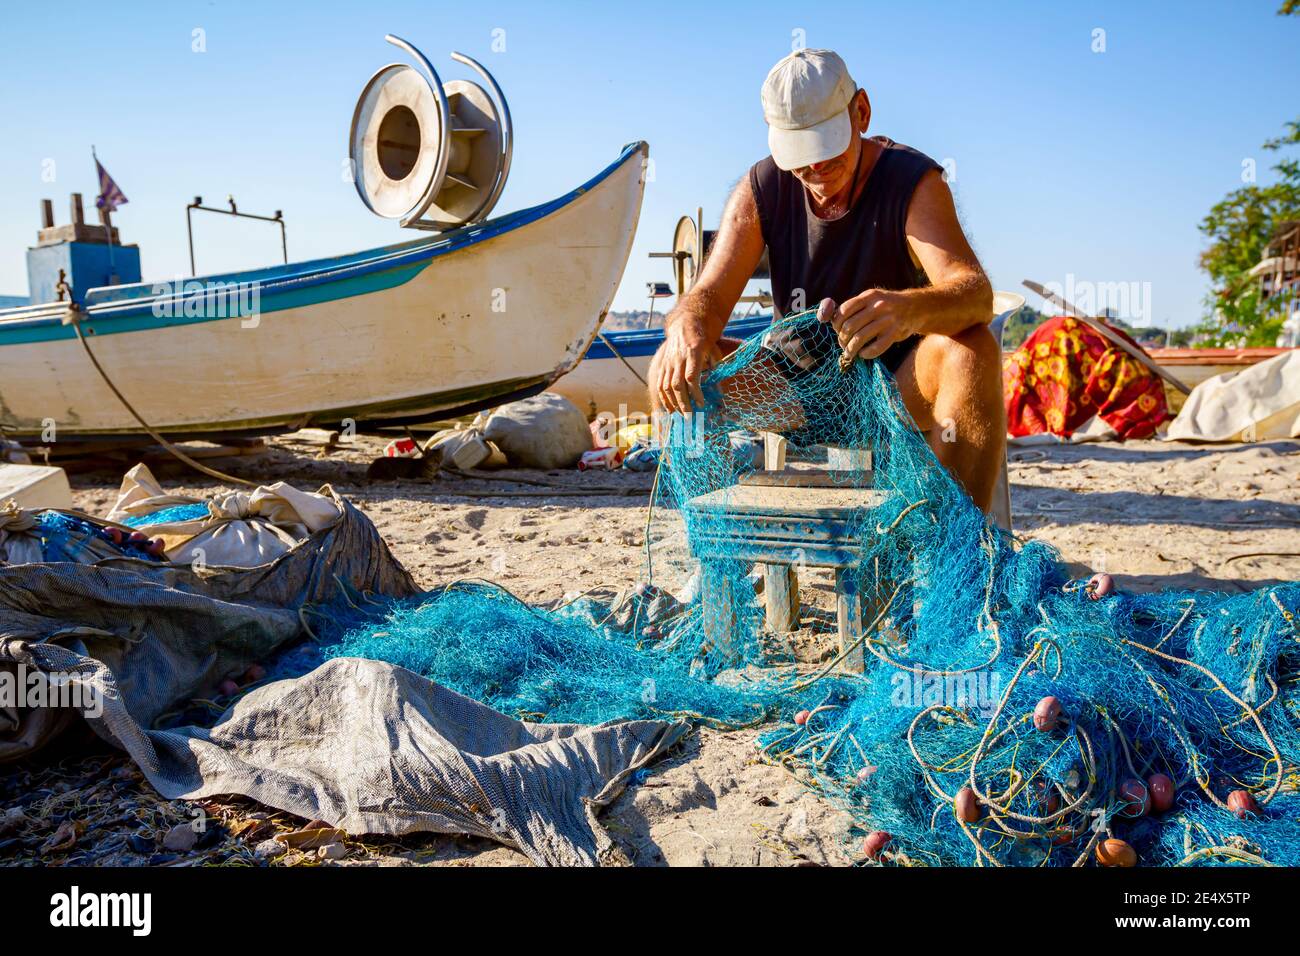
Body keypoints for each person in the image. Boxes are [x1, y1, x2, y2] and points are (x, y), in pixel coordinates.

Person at [649, 48, 1005, 512]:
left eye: (826, 153)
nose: (814, 173)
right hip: (790, 388)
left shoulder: (912, 182)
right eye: (801, 158)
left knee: (972, 350)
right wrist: (685, 330)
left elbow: (975, 295)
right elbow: (708, 298)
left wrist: (906, 310)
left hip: (894, 386)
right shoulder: (762, 187)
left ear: (861, 112)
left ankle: (958, 552)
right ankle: (714, 552)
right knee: (674, 370)